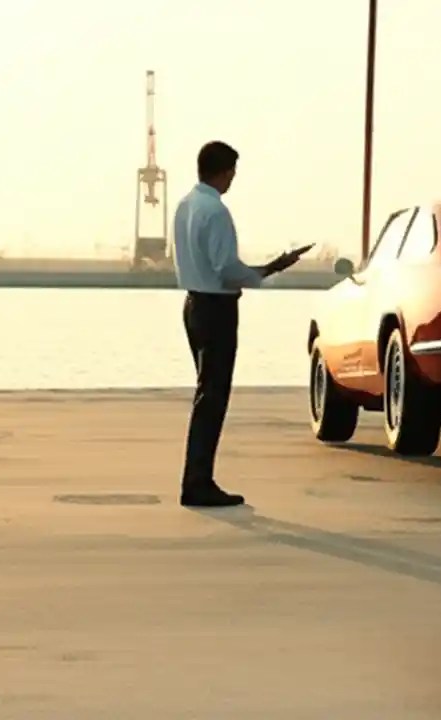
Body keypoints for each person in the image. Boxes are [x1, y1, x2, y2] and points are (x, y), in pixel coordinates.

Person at [172, 140, 300, 507]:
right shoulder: (216, 211)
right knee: (213, 396)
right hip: (216, 309)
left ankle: (196, 478)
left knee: (205, 393)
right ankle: (198, 482)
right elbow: (226, 270)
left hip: (194, 304)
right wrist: (266, 271)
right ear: (224, 171)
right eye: (232, 173)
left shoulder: (185, 206)